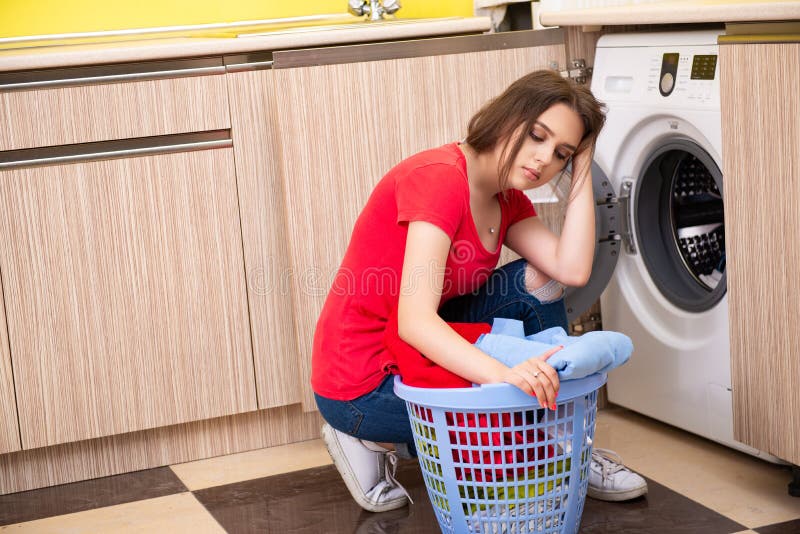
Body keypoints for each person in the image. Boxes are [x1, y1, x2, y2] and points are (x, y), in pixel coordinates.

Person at [311, 70, 648, 513]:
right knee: (508, 409)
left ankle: (562, 441)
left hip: (416, 347)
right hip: (363, 382)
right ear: (508, 116)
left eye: (561, 153)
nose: (544, 159)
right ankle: (369, 434)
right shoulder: (440, 180)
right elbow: (415, 322)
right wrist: (504, 376)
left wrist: (583, 165)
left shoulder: (507, 198)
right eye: (537, 136)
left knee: (542, 280)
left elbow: (572, 268)